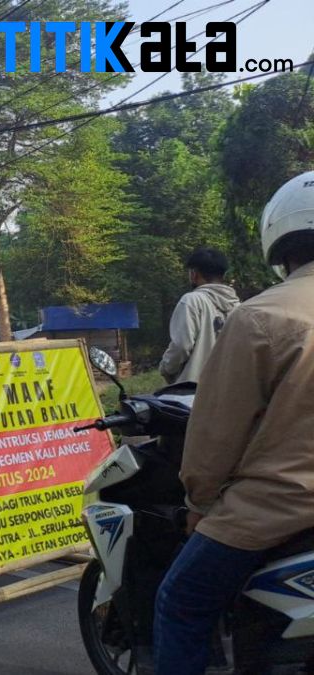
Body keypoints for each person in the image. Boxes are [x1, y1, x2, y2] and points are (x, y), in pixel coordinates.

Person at [154, 172, 314, 675]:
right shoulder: (237, 304)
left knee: (180, 600)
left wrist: (198, 503)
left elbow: (215, 434)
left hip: (279, 505)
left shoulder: (262, 314)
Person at [158, 248, 240, 384]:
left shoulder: (191, 300)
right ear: (223, 274)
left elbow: (181, 346)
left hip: (193, 392)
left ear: (194, 274)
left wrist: (166, 368)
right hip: (229, 390)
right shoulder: (238, 306)